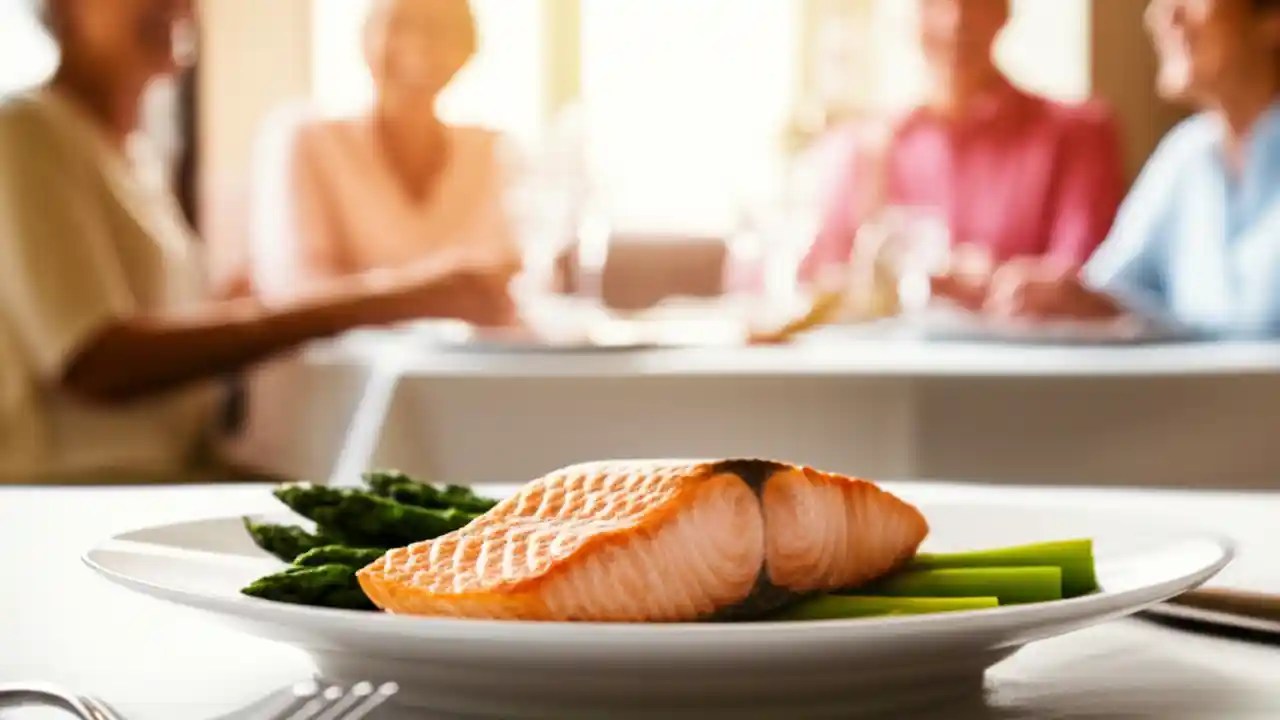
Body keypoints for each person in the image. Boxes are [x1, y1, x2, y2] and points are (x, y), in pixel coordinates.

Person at [0, 0, 515, 483]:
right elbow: (95, 363)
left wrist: (233, 303)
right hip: (75, 487)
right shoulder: (27, 133)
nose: (174, 3)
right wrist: (381, 301)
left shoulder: (130, 155)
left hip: (165, 470)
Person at [943, 0, 1280, 338]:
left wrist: (1113, 312)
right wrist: (1042, 297)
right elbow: (1107, 289)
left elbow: (1254, 337)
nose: (1164, 15)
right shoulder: (1187, 156)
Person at [801, 0, 1126, 283]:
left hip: (1022, 352)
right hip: (893, 355)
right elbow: (820, 283)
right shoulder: (863, 150)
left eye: (976, 0)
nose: (955, 20)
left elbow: (1084, 284)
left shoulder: (1077, 136)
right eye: (934, 1)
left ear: (1004, 10)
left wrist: (988, 284)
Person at [250, 0, 518, 302]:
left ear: (470, 48)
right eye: (400, 23)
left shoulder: (492, 152)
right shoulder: (304, 139)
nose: (420, 43)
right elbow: (295, 292)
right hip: (334, 351)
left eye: (441, 28)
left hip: (475, 350)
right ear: (365, 37)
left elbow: (510, 286)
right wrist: (437, 291)